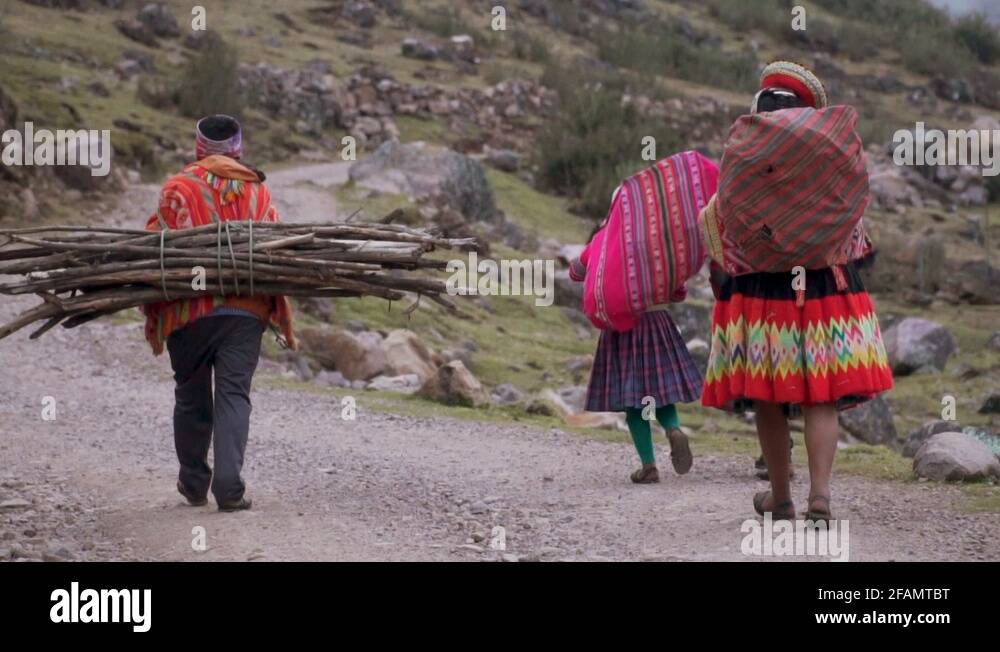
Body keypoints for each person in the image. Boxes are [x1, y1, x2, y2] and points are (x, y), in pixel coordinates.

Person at [701, 61, 894, 521]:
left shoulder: (745, 154)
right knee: (821, 396)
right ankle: (820, 497)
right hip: (826, 289)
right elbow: (854, 232)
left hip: (761, 294)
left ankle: (781, 497)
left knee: (768, 395)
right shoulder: (830, 157)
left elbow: (721, 225)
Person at [142, 115, 297, 512]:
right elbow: (274, 246)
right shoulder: (258, 193)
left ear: (198, 146)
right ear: (237, 147)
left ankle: (194, 483)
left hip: (187, 313)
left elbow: (155, 248)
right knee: (233, 394)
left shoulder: (176, 189)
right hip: (244, 312)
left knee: (191, 395)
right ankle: (229, 488)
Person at [570, 152, 715, 484]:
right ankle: (674, 428)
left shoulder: (602, 241)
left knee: (633, 401)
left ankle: (648, 465)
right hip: (658, 324)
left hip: (622, 330)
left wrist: (593, 250)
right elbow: (677, 290)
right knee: (658, 391)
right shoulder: (653, 244)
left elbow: (576, 271)